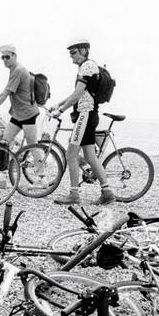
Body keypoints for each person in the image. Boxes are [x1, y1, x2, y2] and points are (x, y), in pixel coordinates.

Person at [46, 37, 114, 205]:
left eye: (74, 52)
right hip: (89, 115)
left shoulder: (87, 66)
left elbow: (77, 95)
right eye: (70, 53)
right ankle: (107, 193)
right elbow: (77, 94)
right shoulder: (87, 66)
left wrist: (61, 111)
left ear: (84, 51)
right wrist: (59, 104)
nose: (71, 56)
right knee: (90, 156)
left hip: (85, 115)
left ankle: (74, 194)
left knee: (71, 154)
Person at [0, 44, 38, 153]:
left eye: (7, 57)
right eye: (2, 57)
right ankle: (11, 164)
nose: (5, 60)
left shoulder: (18, 70)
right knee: (5, 140)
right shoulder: (13, 70)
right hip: (18, 114)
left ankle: (41, 168)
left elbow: (4, 94)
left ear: (15, 56)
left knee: (32, 146)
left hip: (27, 113)